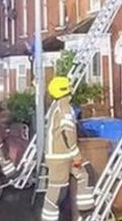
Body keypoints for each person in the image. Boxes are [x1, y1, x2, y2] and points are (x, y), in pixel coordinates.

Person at [41, 76, 94, 221]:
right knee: (57, 192)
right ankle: (49, 218)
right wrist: (75, 154)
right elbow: (67, 132)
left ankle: (84, 211)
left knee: (85, 173)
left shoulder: (57, 105)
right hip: (61, 158)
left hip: (63, 156)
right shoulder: (64, 107)